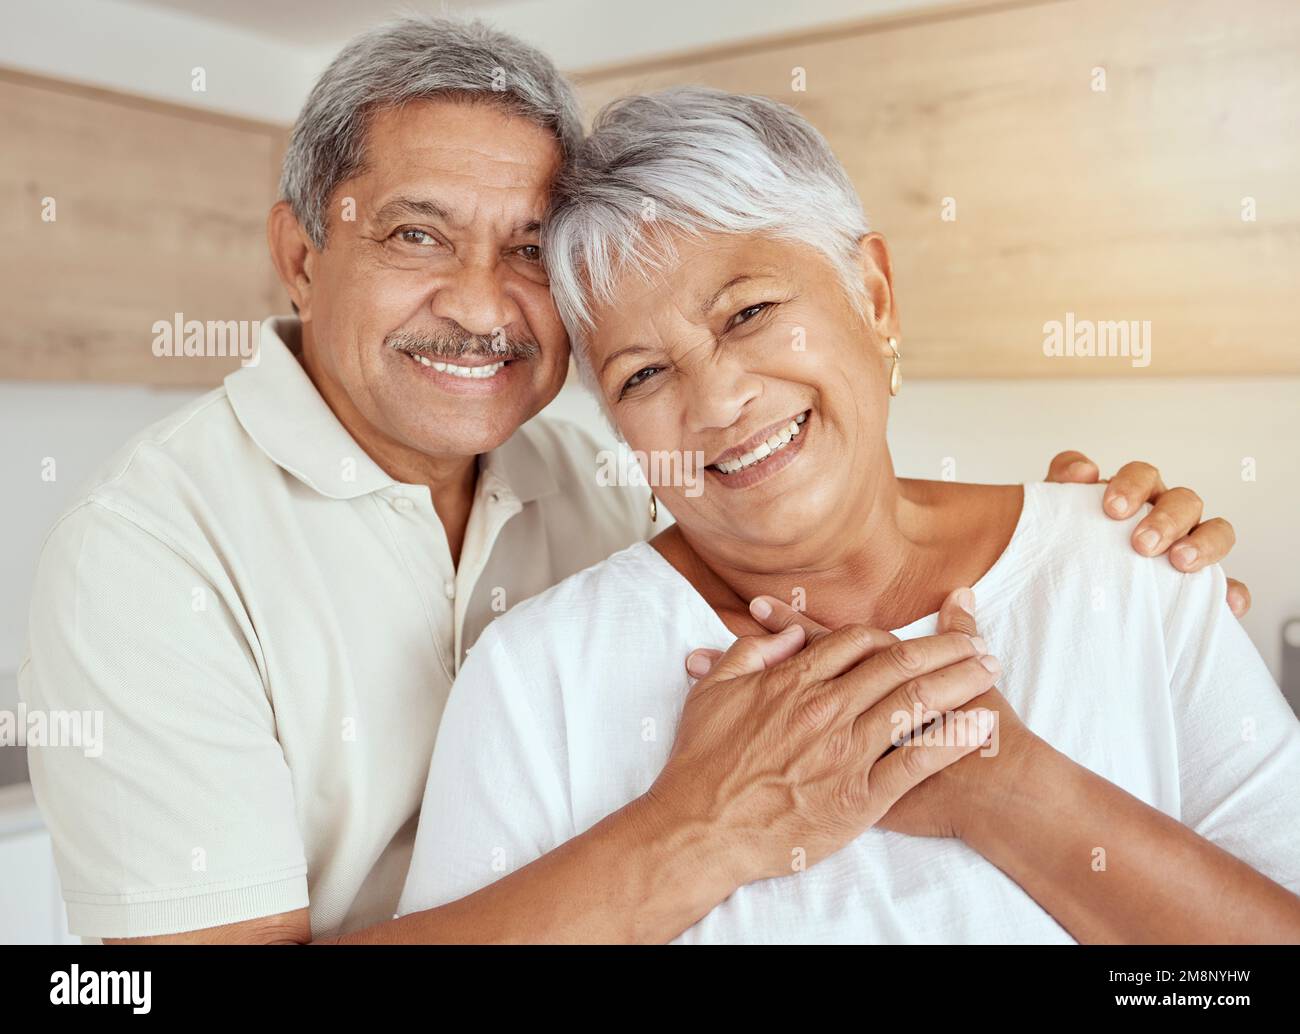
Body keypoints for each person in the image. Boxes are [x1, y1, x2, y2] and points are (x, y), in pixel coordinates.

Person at [19, 18, 1253, 945]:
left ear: (872, 293)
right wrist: (708, 824)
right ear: (299, 252)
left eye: (522, 254)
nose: (475, 304)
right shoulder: (146, 559)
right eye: (415, 234)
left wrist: (1092, 544)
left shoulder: (587, 474)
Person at [396, 87, 1300, 943]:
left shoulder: (1129, 561)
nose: (716, 403)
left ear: (872, 295)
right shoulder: (534, 673)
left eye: (747, 313)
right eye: (642, 375)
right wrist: (702, 825)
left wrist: (1011, 791)